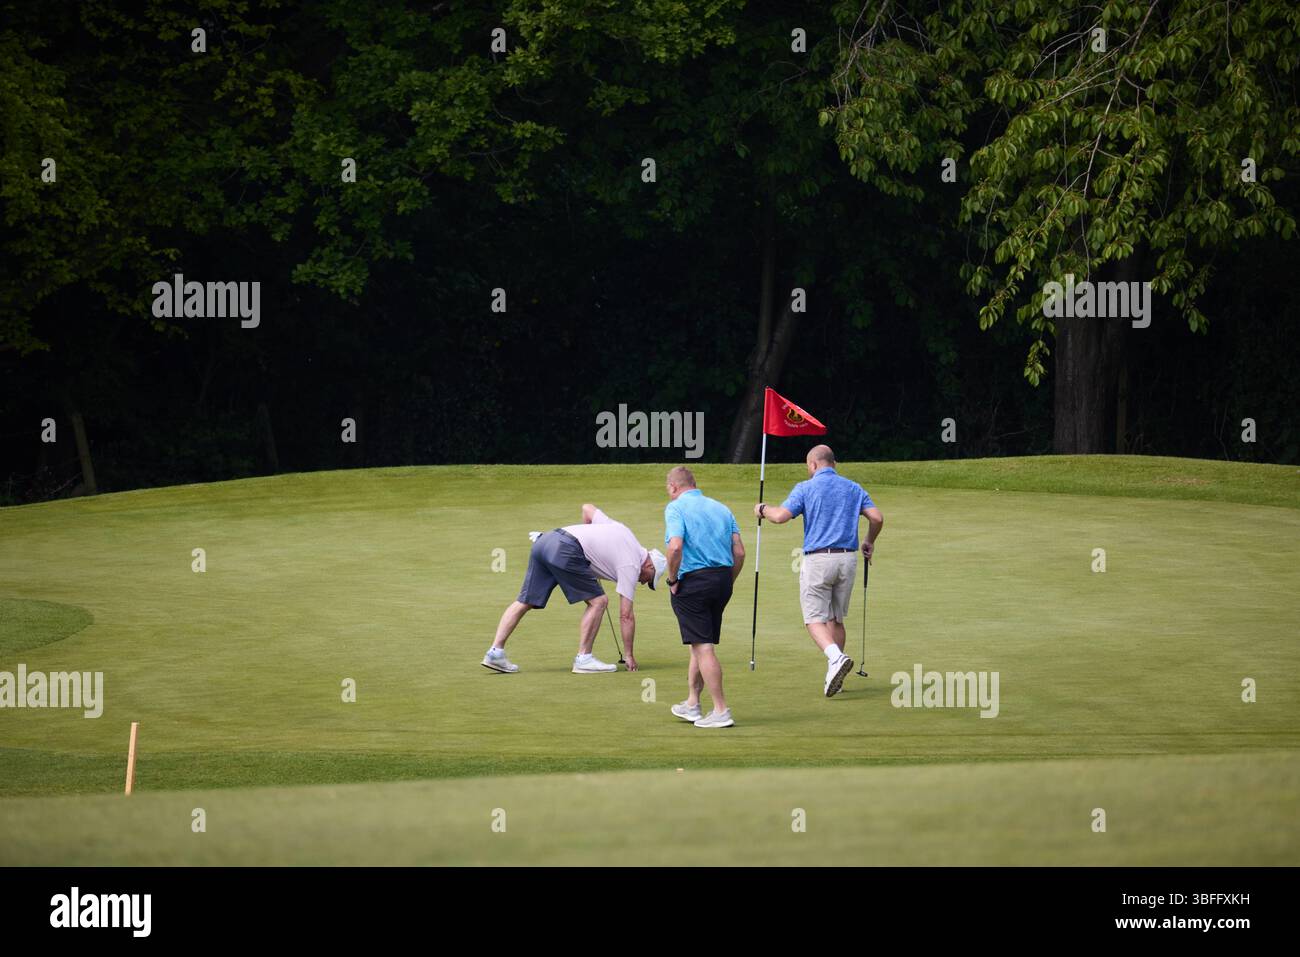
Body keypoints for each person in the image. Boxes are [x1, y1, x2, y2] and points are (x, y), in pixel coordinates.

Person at [755, 444, 883, 698]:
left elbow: (780, 516)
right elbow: (877, 518)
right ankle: (835, 673)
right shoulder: (853, 488)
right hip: (847, 559)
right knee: (836, 619)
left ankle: (836, 658)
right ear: (833, 464)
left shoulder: (806, 487)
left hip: (818, 560)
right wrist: (868, 541)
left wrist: (762, 509)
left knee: (813, 619)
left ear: (813, 465)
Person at [484, 503, 666, 674]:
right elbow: (626, 616)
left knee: (525, 601)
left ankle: (495, 653)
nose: (643, 583)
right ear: (649, 565)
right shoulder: (632, 564)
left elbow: (587, 508)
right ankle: (584, 658)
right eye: (649, 579)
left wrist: (589, 544)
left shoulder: (624, 531)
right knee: (599, 601)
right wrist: (629, 656)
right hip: (566, 549)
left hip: (545, 541)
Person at [662, 466, 745, 728]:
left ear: (674, 487)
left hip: (694, 582)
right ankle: (692, 703)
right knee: (699, 641)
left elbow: (675, 546)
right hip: (722, 579)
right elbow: (739, 552)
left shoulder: (675, 508)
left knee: (703, 647)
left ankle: (721, 710)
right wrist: (727, 580)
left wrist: (672, 579)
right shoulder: (722, 508)